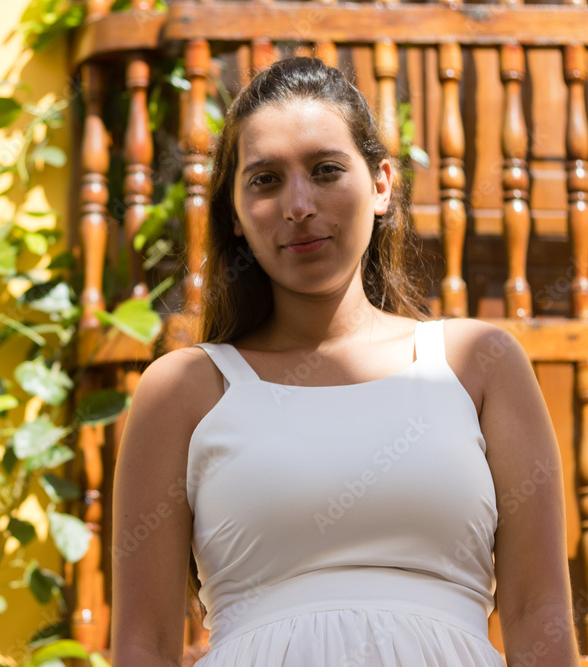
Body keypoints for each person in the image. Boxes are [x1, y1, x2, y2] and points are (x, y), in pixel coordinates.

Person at [110, 57, 578, 666]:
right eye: (265, 180)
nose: (298, 204)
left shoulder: (479, 364)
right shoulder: (183, 391)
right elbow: (143, 645)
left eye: (326, 170)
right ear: (232, 211)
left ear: (382, 183)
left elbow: (538, 611)